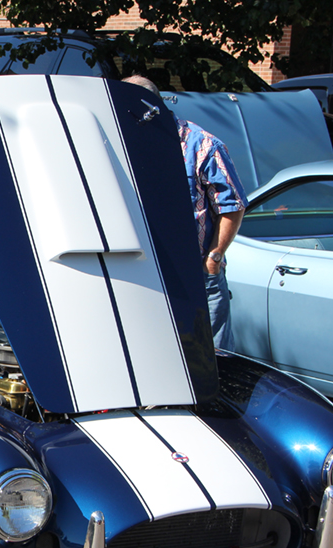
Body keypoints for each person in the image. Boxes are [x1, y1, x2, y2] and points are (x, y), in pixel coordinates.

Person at [122, 75, 246, 352]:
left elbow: (233, 205)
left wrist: (214, 258)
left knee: (209, 361)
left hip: (198, 275)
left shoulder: (203, 146)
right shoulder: (128, 144)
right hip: (148, 275)